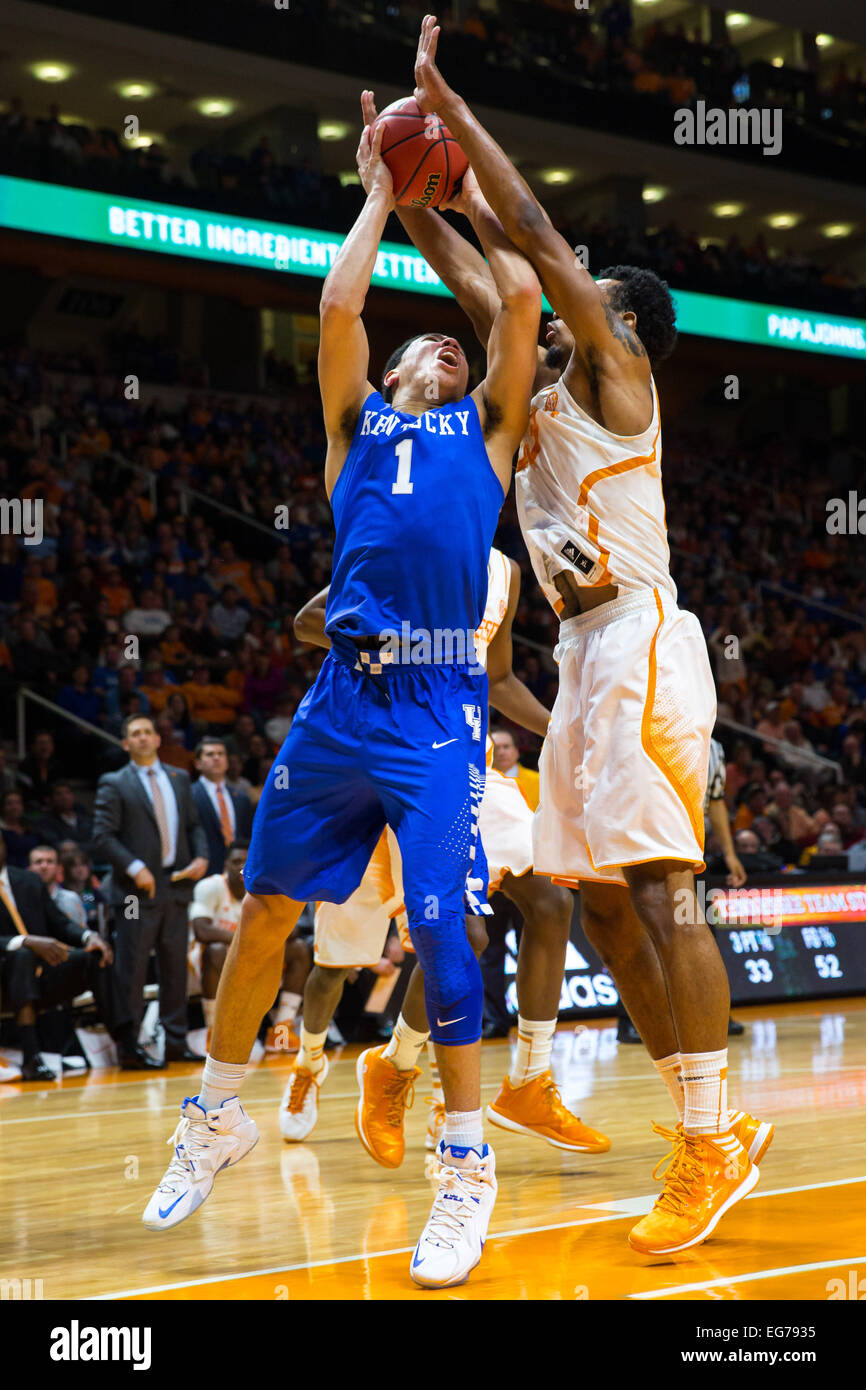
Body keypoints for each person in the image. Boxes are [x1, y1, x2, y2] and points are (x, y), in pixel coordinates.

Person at [142, 108, 540, 1294]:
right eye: (430, 349)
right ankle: (215, 1117)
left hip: (431, 708)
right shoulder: (352, 429)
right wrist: (375, 190)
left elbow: (516, 304)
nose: (447, 355)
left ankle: (463, 1168)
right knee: (267, 912)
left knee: (441, 929)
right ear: (396, 373)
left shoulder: (491, 437)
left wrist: (461, 195)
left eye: (455, 355)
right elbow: (333, 313)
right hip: (337, 700)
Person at [406, 14, 772, 1258]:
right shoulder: (537, 381)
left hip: (641, 642)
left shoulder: (619, 380)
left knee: (666, 892)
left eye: (586, 294)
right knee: (603, 907)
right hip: (578, 662)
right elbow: (478, 278)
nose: (565, 298)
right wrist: (399, 190)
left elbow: (539, 247)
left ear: (617, 320)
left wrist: (450, 118)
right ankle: (701, 1123)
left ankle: (713, 1134)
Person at [280, 552, 608, 1163]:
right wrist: (399, 647)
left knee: (551, 901)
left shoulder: (504, 572)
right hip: (388, 768)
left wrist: (563, 729)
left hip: (469, 765)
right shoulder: (405, 539)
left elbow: (501, 680)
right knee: (352, 959)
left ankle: (528, 1082)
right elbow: (306, 621)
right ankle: (355, 1066)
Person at [92, 713, 209, 1069]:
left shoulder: (179, 778)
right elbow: (103, 836)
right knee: (133, 965)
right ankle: (130, 1045)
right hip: (132, 893)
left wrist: (202, 856)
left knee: (175, 966)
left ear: (158, 739)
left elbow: (194, 826)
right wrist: (135, 867)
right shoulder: (114, 782)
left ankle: (174, 1041)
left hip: (176, 887)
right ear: (126, 744)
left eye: (147, 732)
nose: (142, 738)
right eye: (134, 734)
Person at [0, 830, 118, 1081]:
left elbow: (60, 924)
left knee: (95, 956)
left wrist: (89, 937)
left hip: (41, 972)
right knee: (22, 956)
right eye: (39, 861)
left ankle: (127, 1044)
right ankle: (32, 1057)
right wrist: (26, 941)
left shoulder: (28, 881)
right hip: (7, 975)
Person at [191, 737, 254, 875]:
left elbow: (247, 837)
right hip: (204, 871)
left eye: (221, 754)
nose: (216, 758)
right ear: (198, 763)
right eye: (210, 754)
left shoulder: (241, 797)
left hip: (238, 873)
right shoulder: (189, 795)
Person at [490, 728, 540, 810]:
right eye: (496, 748)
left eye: (506, 747)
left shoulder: (538, 780)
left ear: (517, 751)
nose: (501, 752)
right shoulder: (480, 782)